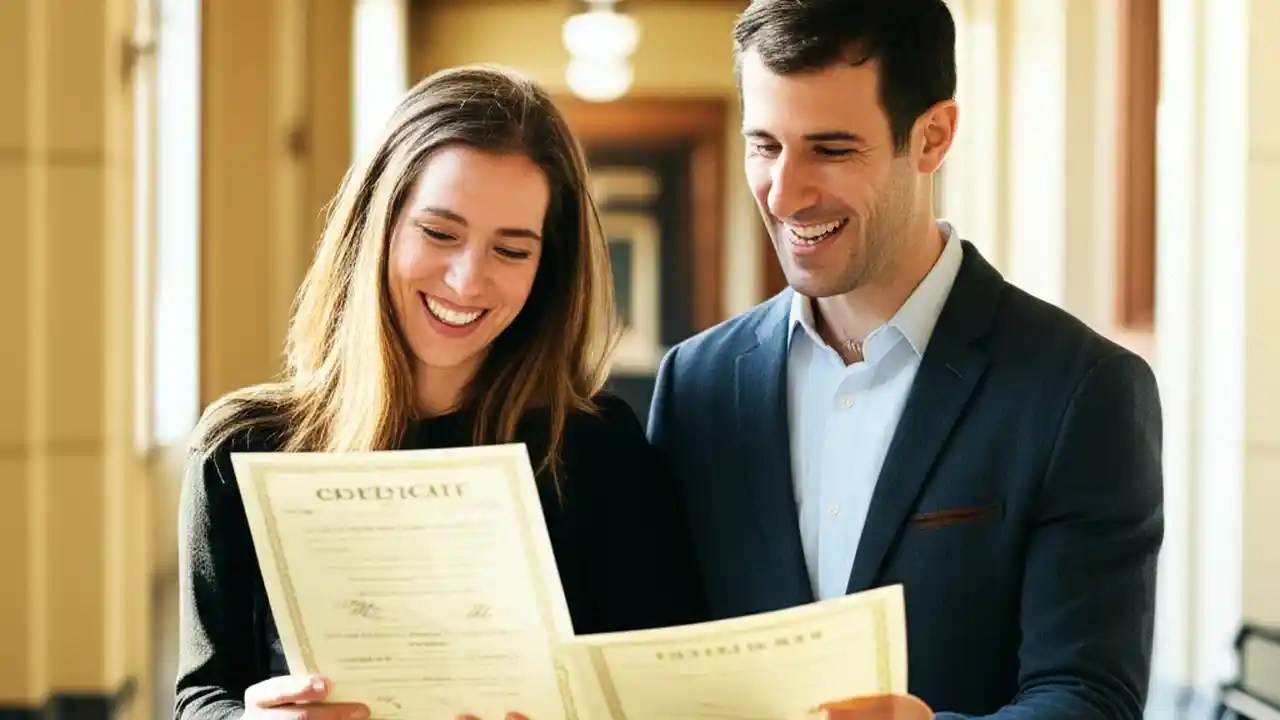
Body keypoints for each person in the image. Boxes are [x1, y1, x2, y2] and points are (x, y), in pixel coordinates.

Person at [648, 1, 1164, 718]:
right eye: (764, 145)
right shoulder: (696, 383)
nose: (784, 192)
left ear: (932, 136)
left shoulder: (1081, 389)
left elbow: (1089, 696)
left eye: (830, 149)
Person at [175, 65, 704, 720]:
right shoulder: (242, 448)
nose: (466, 280)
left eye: (512, 250)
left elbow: (669, 700)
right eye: (440, 232)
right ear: (379, 224)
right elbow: (201, 693)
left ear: (548, 269)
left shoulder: (599, 453)